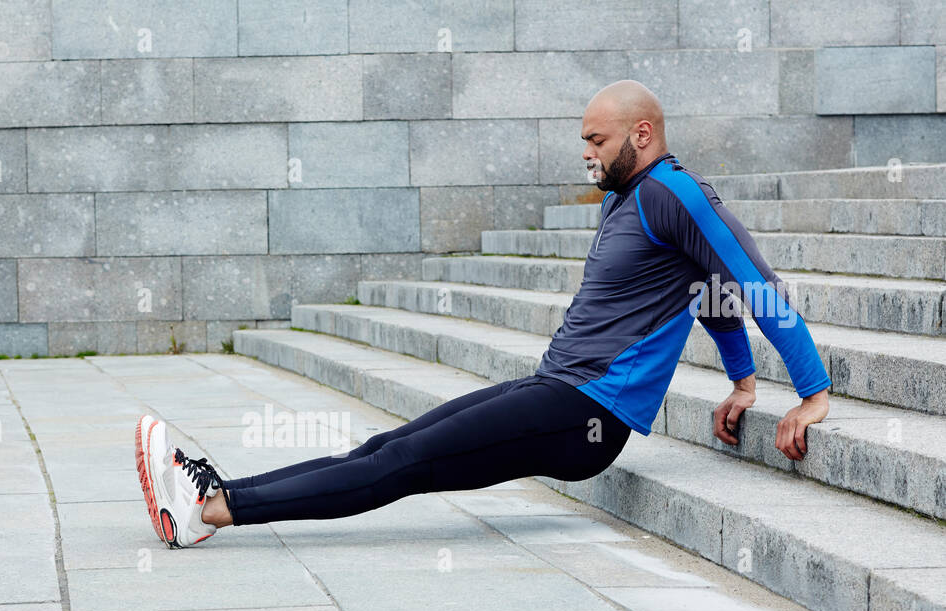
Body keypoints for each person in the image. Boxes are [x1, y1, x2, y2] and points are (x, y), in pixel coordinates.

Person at [135, 79, 832, 549]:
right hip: (558, 390)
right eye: (584, 142)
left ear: (641, 133)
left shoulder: (677, 194)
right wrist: (740, 382)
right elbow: (704, 291)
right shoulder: (628, 195)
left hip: (587, 417)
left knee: (404, 462)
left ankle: (212, 510)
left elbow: (751, 285)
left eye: (597, 141)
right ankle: (216, 490)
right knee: (385, 450)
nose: (586, 154)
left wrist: (813, 392)